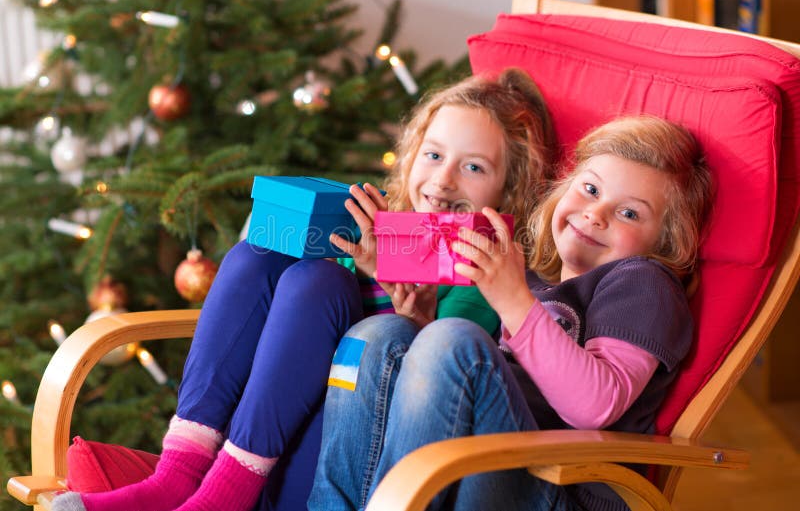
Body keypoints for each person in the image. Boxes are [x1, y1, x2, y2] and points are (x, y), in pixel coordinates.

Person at [51, 66, 554, 511]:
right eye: (434, 154)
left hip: (341, 463)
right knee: (259, 256)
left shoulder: (486, 275)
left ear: (509, 190)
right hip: (261, 446)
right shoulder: (378, 219)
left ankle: (222, 493)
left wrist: (408, 300)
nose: (442, 180)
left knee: (321, 281)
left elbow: (425, 400)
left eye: (473, 167)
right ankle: (178, 475)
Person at [308, 115, 714, 511]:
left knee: (453, 338)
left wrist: (512, 301)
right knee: (380, 334)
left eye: (630, 213)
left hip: (561, 488)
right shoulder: (540, 280)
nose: (596, 213)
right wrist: (420, 321)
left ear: (665, 240)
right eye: (590, 189)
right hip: (496, 464)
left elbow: (595, 407)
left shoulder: (644, 283)